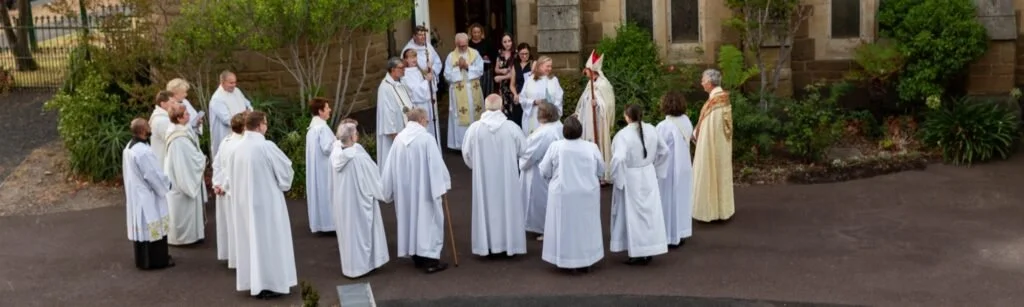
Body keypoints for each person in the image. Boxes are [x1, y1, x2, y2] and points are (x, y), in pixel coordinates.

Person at [230, 112, 297, 299]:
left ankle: (255, 281)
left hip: (246, 204)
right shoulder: (265, 146)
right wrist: (283, 183)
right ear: (259, 126)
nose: (266, 127)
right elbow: (285, 172)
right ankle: (272, 282)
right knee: (270, 242)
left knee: (253, 241)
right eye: (266, 123)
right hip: (267, 203)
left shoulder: (238, 148)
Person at [381, 107, 452, 274]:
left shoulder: (399, 140)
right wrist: (442, 185)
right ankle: (430, 261)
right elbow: (436, 166)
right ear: (420, 120)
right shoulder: (426, 139)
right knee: (428, 222)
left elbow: (389, 167)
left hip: (405, 193)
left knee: (410, 220)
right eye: (426, 119)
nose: (427, 122)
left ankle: (417, 257)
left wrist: (387, 189)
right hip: (425, 191)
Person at [462, 94, 527, 257]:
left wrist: (476, 167)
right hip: (507, 177)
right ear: (501, 106)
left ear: (485, 107)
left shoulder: (475, 128)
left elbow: (466, 154)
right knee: (508, 205)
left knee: (485, 207)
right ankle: (509, 245)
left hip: (483, 178)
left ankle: (487, 245)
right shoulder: (511, 127)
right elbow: (523, 150)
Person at [538, 116, 604, 273]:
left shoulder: (556, 147)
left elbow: (544, 170)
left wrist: (551, 179)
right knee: (585, 228)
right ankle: (586, 259)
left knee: (564, 228)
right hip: (587, 194)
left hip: (563, 194)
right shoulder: (591, 147)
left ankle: (565, 259)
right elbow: (601, 170)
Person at [609, 104, 670, 265]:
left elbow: (619, 158)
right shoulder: (651, 129)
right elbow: (665, 151)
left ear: (626, 116)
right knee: (650, 213)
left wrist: (616, 177)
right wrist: (656, 169)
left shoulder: (623, 135)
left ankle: (637, 252)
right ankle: (650, 249)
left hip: (631, 176)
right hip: (648, 174)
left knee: (634, 215)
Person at [330, 119, 389, 278]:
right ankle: (363, 266)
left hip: (343, 202)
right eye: (356, 133)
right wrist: (383, 192)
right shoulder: (358, 158)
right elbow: (373, 178)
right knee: (363, 233)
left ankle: (351, 267)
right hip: (360, 202)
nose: (357, 135)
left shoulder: (335, 153)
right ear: (352, 137)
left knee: (349, 235)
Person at [122, 118, 175, 270]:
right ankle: (157, 260)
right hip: (148, 195)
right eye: (148, 126)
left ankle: (142, 260)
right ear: (143, 131)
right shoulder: (143, 152)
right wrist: (166, 185)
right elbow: (152, 174)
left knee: (144, 228)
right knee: (153, 223)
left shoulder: (129, 147)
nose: (150, 127)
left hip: (137, 193)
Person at [692, 69, 735, 222]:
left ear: (710, 83)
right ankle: (723, 210)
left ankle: (709, 211)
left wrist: (697, 136)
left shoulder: (714, 103)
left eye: (703, 80)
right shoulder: (723, 98)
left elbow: (708, 130)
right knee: (721, 171)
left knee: (709, 170)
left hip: (711, 147)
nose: (701, 83)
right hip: (722, 146)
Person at [163, 104, 207, 246]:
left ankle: (188, 236)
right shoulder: (179, 139)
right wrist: (202, 160)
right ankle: (184, 238)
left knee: (181, 208)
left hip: (177, 173)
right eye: (186, 114)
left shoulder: (176, 129)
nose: (189, 116)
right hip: (182, 176)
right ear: (179, 118)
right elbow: (189, 159)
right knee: (183, 208)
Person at [656, 90, 694, 248]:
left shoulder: (664, 126)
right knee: (682, 199)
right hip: (684, 166)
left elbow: (658, 148)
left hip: (669, 168)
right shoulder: (686, 121)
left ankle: (670, 235)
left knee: (668, 199)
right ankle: (682, 231)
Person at [520, 102, 563, 241]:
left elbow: (531, 154)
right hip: (554, 169)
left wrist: (522, 163)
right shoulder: (558, 126)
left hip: (539, 171)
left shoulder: (544, 133)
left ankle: (545, 228)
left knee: (540, 199)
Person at [573, 50, 616, 183]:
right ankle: (589, 172)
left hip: (598, 122)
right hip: (587, 122)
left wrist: (597, 103)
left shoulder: (603, 85)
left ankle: (602, 174)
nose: (585, 73)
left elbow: (608, 105)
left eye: (587, 70)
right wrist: (579, 112)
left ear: (593, 71)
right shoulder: (589, 84)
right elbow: (584, 101)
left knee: (598, 145)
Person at [212, 112, 247, 267]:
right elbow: (234, 169)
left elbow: (217, 164)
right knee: (239, 226)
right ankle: (240, 258)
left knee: (229, 224)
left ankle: (232, 255)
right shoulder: (242, 145)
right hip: (235, 190)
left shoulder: (226, 141)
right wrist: (223, 185)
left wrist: (217, 184)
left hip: (224, 189)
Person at [444, 32, 486, 150]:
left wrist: (467, 67)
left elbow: (480, 70)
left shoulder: (475, 54)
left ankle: (475, 143)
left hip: (473, 90)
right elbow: (447, 75)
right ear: (456, 44)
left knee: (474, 114)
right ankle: (461, 145)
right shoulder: (451, 56)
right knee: (460, 117)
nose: (463, 47)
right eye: (461, 46)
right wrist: (458, 68)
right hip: (458, 91)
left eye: (465, 45)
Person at [305, 97, 335, 234]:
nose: (329, 110)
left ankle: (322, 223)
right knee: (327, 192)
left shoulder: (312, 128)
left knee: (320, 193)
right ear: (320, 111)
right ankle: (330, 224)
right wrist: (340, 142)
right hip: (324, 169)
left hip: (318, 168)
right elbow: (327, 148)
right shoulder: (322, 128)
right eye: (327, 108)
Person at [376, 57, 413, 168]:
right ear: (392, 70)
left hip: (404, 128)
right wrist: (394, 134)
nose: (404, 70)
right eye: (401, 68)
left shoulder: (399, 83)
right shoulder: (385, 88)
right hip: (394, 132)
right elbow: (386, 112)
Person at [209, 70, 253, 157]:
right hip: (227, 134)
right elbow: (227, 120)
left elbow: (248, 104)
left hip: (242, 131)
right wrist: (244, 115)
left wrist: (249, 111)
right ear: (222, 82)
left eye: (235, 82)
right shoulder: (217, 98)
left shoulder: (237, 91)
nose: (234, 85)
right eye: (231, 83)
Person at [401, 48, 440, 143]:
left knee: (431, 128)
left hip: (427, 105)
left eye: (415, 56)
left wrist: (430, 75)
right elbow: (415, 92)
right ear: (405, 59)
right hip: (418, 106)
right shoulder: (405, 75)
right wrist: (427, 81)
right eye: (411, 57)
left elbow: (432, 87)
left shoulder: (419, 71)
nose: (414, 59)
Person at [517, 56, 563, 135]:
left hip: (549, 116)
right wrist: (534, 102)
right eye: (547, 66)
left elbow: (559, 98)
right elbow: (522, 98)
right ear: (540, 66)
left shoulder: (553, 80)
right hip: (533, 116)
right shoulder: (530, 80)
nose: (550, 68)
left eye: (551, 66)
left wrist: (551, 108)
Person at [402, 25, 443, 93]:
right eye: (420, 35)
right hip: (417, 84)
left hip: (430, 80)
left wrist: (432, 70)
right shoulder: (408, 50)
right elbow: (405, 69)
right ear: (414, 36)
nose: (423, 37)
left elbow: (437, 62)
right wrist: (423, 72)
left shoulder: (428, 46)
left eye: (424, 34)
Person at [493, 34, 520, 127]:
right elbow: (496, 69)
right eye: (505, 42)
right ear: (502, 43)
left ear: (512, 41)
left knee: (513, 108)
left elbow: (515, 73)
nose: (507, 43)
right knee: (504, 108)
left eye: (509, 41)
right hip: (503, 86)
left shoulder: (516, 54)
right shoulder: (500, 53)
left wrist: (501, 77)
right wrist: (502, 70)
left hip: (512, 84)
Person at [148, 91, 176, 168]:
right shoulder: (161, 120)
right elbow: (172, 141)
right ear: (163, 104)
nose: (175, 105)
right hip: (163, 162)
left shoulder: (163, 117)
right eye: (172, 102)